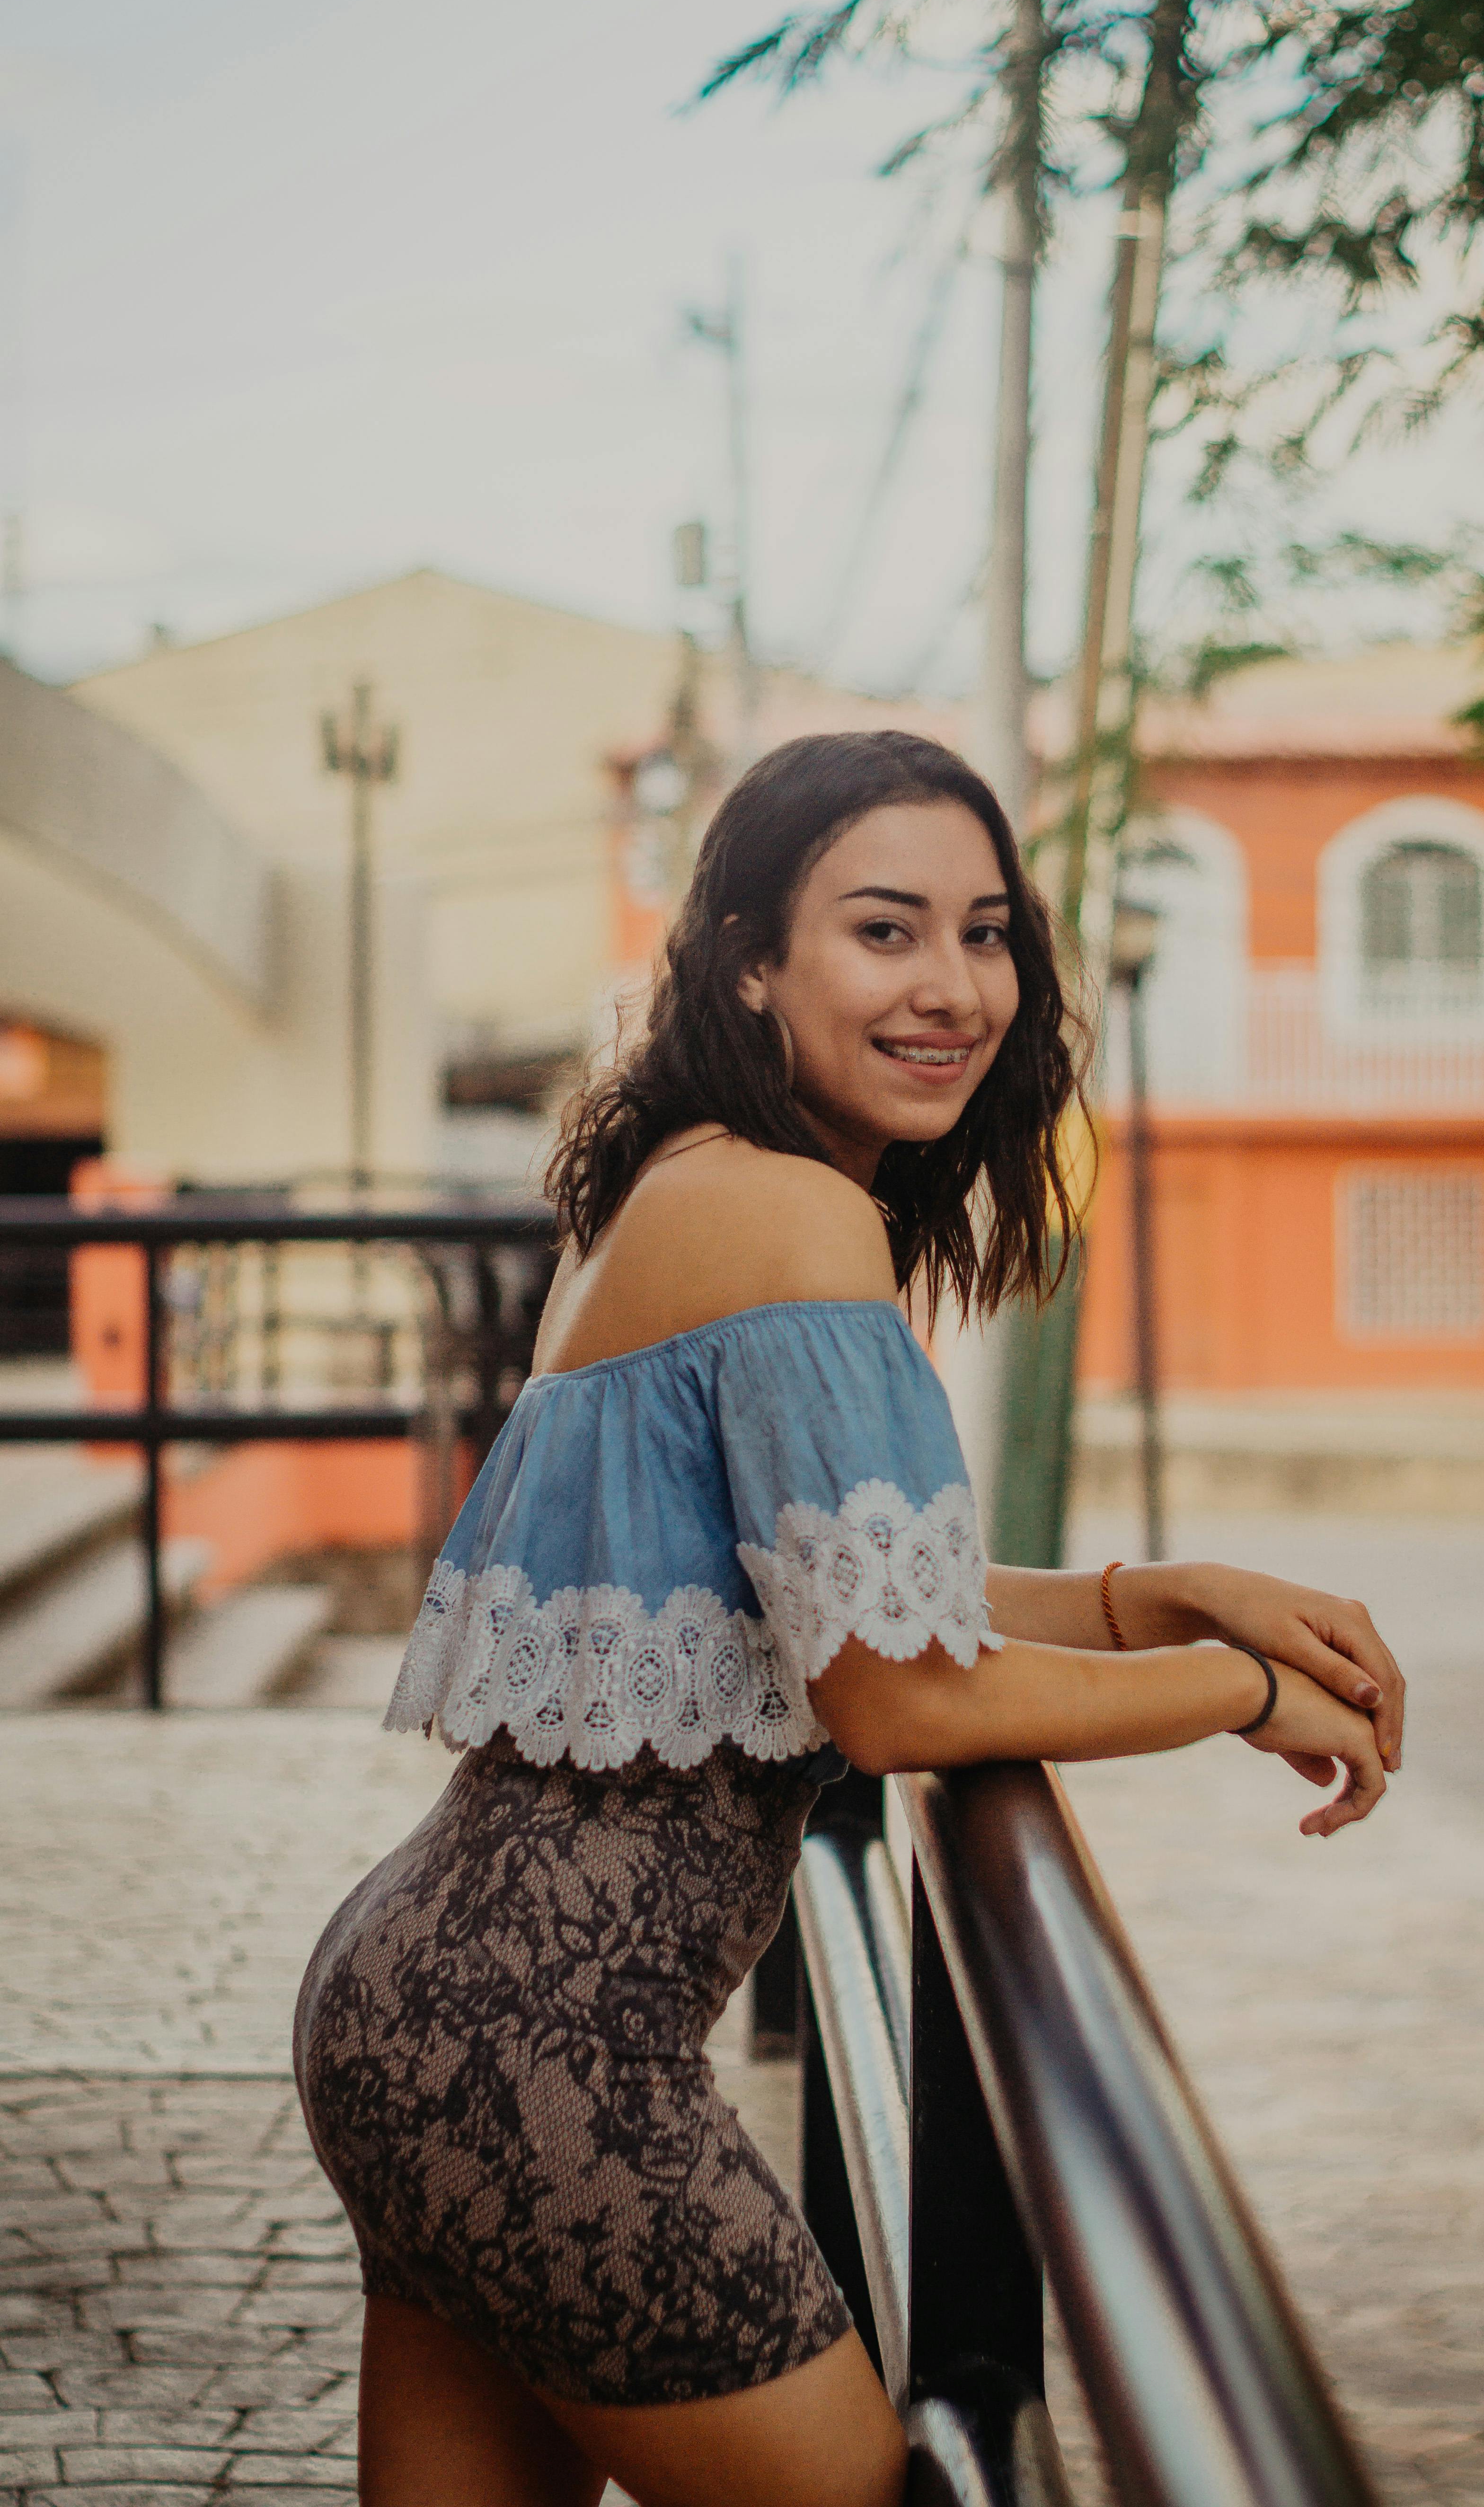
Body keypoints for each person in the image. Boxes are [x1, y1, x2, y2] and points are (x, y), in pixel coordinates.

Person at [294, 730, 1404, 2507]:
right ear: (750, 957)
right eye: (886, 932)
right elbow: (900, 1699)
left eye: (986, 935)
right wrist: (1236, 1686)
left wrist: (1154, 1593)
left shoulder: (683, 1183)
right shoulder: (796, 1217)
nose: (954, 988)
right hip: (549, 2048)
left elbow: (844, 1597)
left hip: (421, 2008)